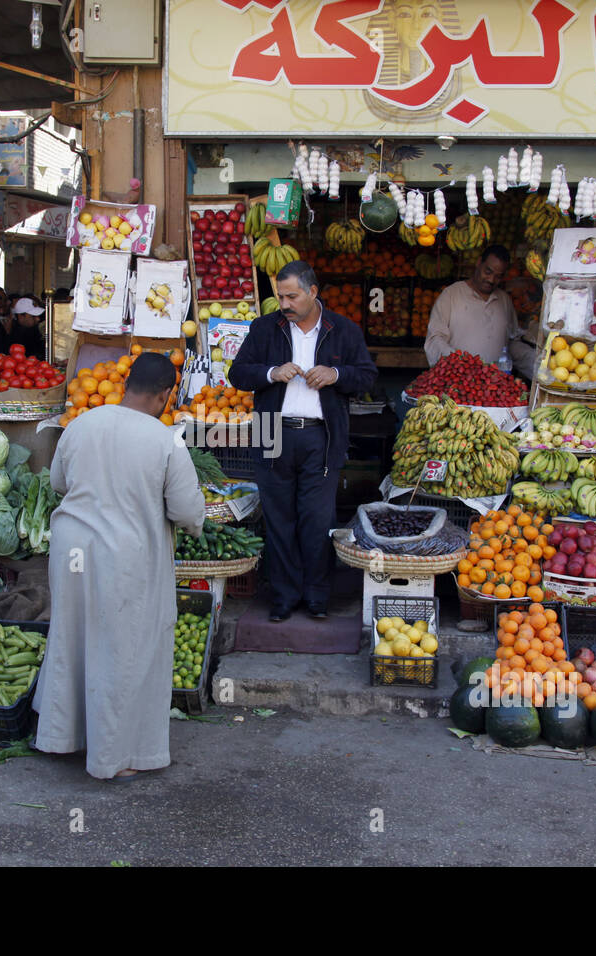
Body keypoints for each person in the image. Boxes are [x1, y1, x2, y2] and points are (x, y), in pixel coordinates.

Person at [33, 352, 205, 780]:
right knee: (123, 651)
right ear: (166, 394)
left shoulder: (81, 424)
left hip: (72, 550)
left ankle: (63, 738)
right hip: (124, 557)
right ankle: (115, 756)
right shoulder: (167, 440)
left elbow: (58, 483)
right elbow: (187, 512)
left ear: (127, 384)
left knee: (74, 638)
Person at [228, 260, 378, 621]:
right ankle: (283, 596)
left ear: (313, 292)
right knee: (279, 518)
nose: (284, 303)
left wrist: (336, 373)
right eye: (280, 296)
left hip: (320, 436)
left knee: (316, 518)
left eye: (291, 296)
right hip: (271, 431)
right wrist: (271, 372)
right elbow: (238, 374)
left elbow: (367, 376)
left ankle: (316, 595)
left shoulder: (342, 330)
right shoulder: (265, 328)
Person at [424, 244, 536, 377]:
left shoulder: (504, 300)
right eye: (488, 272)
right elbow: (434, 340)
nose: (491, 279)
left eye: (498, 276)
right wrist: (459, 365)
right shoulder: (451, 295)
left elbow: (511, 343)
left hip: (494, 386)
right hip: (457, 383)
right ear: (478, 263)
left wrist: (536, 363)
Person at [0, 296, 47, 361]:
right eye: (33, 316)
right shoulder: (12, 332)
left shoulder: (35, 330)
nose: (38, 319)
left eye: (38, 316)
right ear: (21, 316)